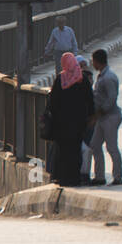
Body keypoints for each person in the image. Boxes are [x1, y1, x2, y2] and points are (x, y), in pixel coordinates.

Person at [47, 52, 94, 187]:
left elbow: (53, 102)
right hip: (79, 122)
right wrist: (89, 116)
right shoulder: (82, 79)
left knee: (63, 151)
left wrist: (54, 116)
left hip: (62, 123)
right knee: (75, 149)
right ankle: (75, 178)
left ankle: (63, 178)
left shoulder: (60, 79)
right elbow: (90, 100)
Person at [89, 48, 122, 186]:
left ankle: (118, 177)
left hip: (110, 117)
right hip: (102, 117)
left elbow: (111, 98)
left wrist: (99, 113)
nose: (93, 64)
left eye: (93, 61)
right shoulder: (103, 76)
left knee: (112, 147)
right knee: (95, 145)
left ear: (97, 61)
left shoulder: (108, 77)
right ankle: (99, 177)